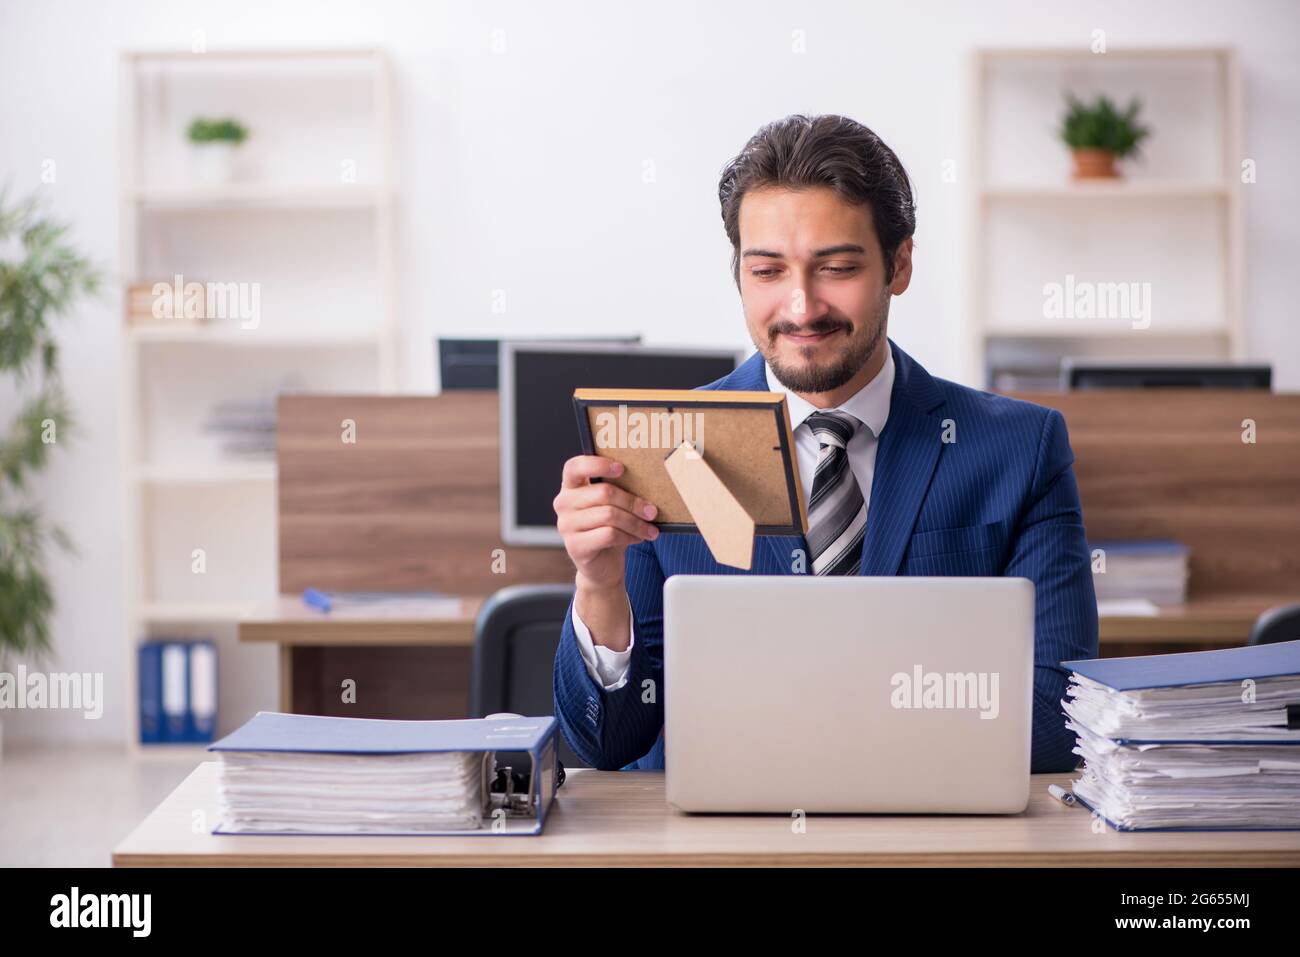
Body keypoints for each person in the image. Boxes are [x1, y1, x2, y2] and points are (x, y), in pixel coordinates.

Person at [552, 113, 1098, 772]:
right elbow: (609, 741)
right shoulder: (665, 444)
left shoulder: (1019, 448)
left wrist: (824, 724)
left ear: (900, 265)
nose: (802, 307)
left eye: (836, 267)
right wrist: (599, 584)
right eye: (768, 271)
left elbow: (1059, 714)